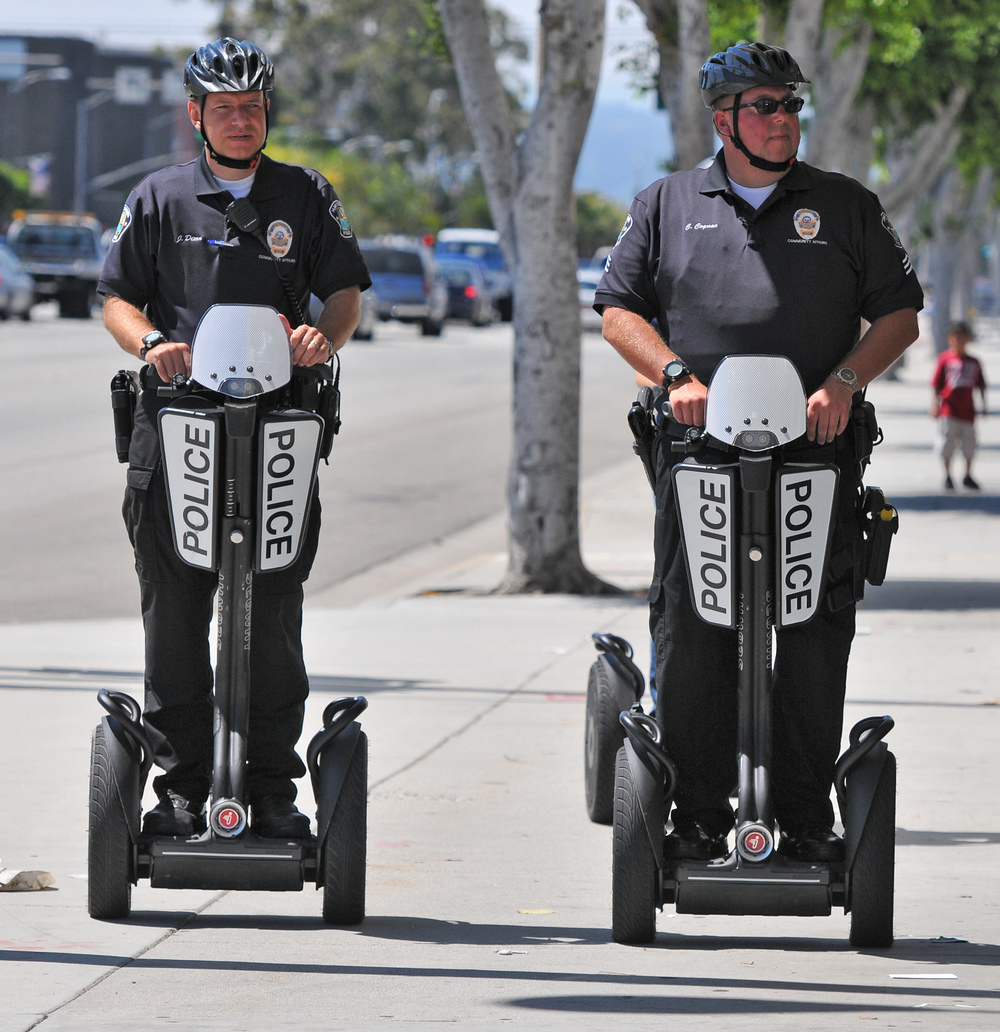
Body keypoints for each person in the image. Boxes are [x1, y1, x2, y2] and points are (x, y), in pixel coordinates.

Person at [595, 41, 923, 863]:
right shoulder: (667, 202)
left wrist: (845, 381)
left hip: (816, 453)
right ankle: (699, 814)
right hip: (701, 456)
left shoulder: (844, 205)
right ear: (725, 120)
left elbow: (899, 314)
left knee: (811, 628)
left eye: (791, 105)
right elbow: (618, 311)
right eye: (767, 106)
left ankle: (808, 818)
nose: (784, 119)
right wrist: (674, 375)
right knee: (697, 627)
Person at [99, 37, 370, 839]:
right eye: (225, 109)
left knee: (272, 610)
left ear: (266, 111)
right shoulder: (158, 197)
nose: (241, 120)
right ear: (197, 114)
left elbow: (344, 293)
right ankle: (183, 788)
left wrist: (324, 336)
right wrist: (152, 343)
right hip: (178, 426)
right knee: (176, 610)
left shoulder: (306, 195)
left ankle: (272, 787)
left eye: (252, 107)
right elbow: (116, 299)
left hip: (278, 428)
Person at [931, 320, 988, 490]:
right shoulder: (945, 359)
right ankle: (947, 475)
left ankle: (967, 474)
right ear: (950, 339)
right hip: (949, 410)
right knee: (947, 443)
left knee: (969, 445)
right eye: (956, 337)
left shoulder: (974, 362)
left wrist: (984, 405)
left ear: (968, 339)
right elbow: (937, 384)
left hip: (968, 411)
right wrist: (935, 404)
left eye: (963, 337)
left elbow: (981, 384)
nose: (959, 341)